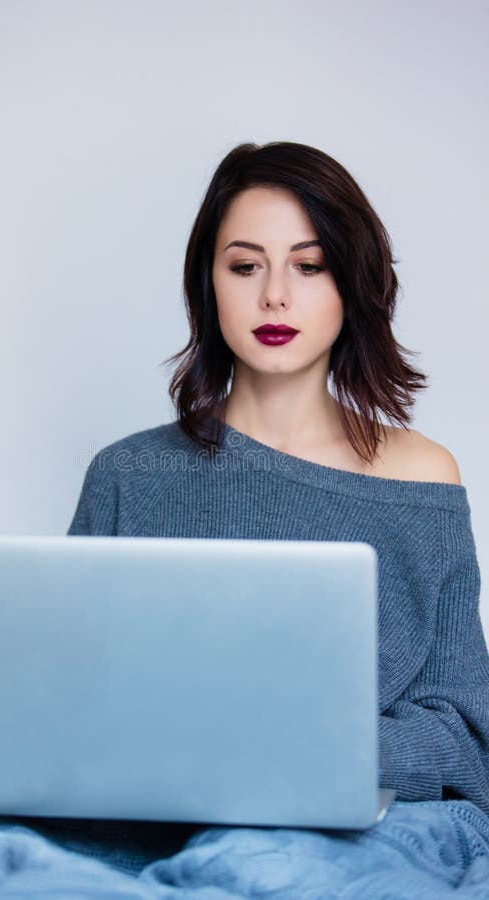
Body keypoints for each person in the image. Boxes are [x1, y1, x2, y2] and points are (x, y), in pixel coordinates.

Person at [68, 141, 489, 818]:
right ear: (207, 283)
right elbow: (68, 708)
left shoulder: (422, 476)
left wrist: (293, 747)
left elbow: (466, 745)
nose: (274, 295)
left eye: (309, 265)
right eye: (244, 266)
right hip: (150, 818)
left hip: (348, 831)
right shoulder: (127, 474)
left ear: (351, 282)